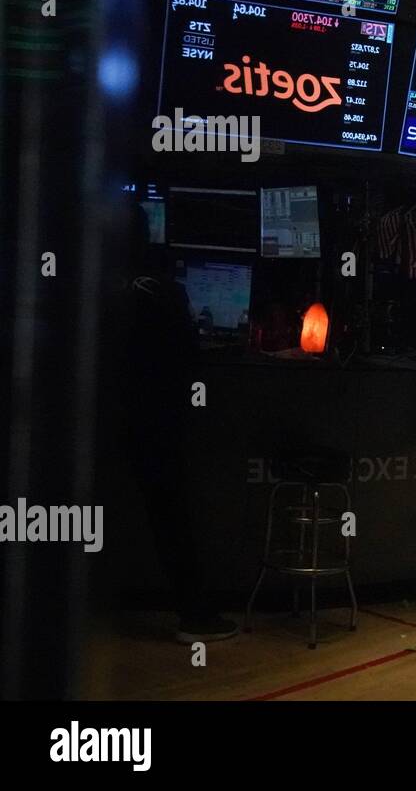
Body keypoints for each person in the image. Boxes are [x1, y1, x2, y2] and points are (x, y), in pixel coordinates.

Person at [121, 204, 237, 643]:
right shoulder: (165, 292)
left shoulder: (88, 286)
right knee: (171, 521)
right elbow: (190, 357)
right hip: (155, 424)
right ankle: (194, 616)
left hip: (100, 423)